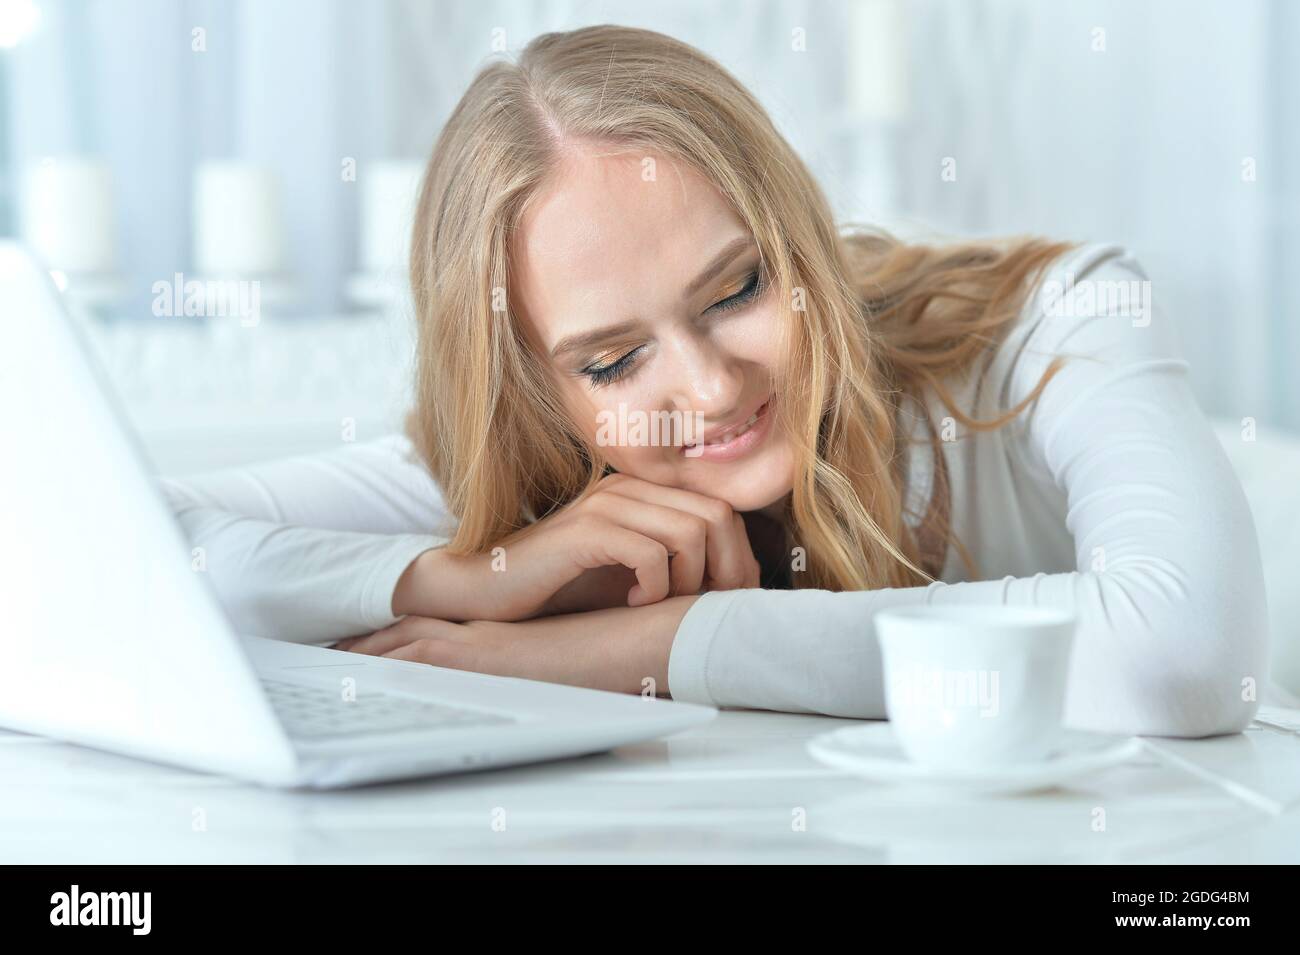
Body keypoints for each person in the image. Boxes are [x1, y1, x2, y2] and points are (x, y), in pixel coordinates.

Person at [162, 25, 1267, 738]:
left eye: (738, 288)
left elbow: (1179, 653)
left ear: (795, 233)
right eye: (611, 359)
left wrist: (635, 647)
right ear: (537, 392)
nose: (706, 385)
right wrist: (460, 580)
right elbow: (100, 545)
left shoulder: (1058, 318)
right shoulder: (549, 467)